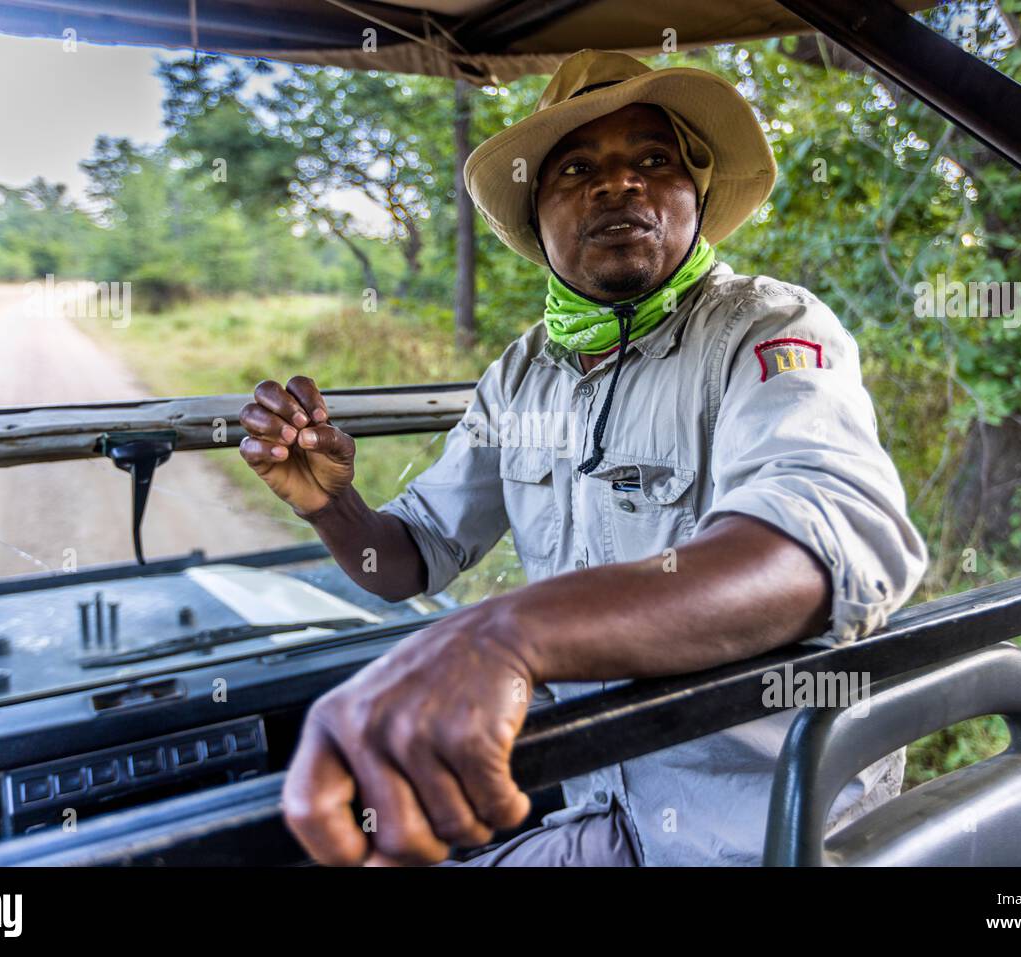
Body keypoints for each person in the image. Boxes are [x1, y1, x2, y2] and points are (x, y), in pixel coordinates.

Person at [238, 49, 928, 866]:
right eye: (576, 168)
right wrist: (331, 507)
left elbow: (816, 550)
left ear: (695, 196)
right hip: (606, 813)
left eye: (651, 159)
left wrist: (509, 635)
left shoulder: (768, 329)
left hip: (777, 830)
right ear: (538, 219)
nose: (618, 184)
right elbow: (409, 559)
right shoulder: (522, 375)